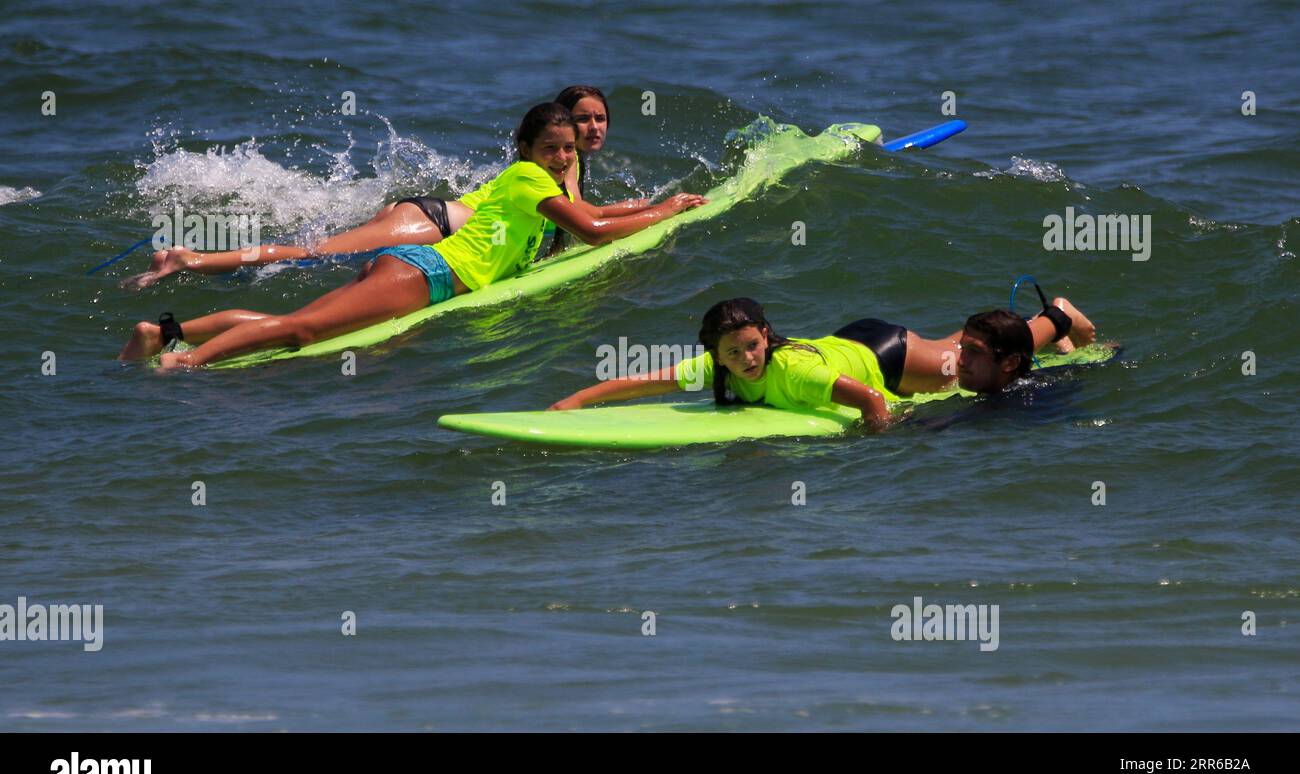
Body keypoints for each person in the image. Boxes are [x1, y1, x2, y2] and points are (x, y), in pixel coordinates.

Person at [118, 103, 706, 368]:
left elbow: (593, 217)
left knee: (301, 316)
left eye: (566, 151)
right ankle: (183, 364)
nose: (559, 158)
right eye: (550, 148)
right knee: (299, 330)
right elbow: (595, 231)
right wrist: (671, 210)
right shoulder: (529, 176)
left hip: (415, 268)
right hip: (428, 274)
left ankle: (163, 332)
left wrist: (642, 208)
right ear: (525, 149)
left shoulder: (543, 181)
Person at [123, 86, 667, 287]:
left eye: (600, 119)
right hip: (429, 222)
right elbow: (586, 222)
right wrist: (661, 211)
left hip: (436, 228)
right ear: (559, 129)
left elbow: (583, 212)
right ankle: (188, 259)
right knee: (312, 252)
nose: (592, 129)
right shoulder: (554, 167)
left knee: (317, 254)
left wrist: (627, 208)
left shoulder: (562, 167)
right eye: (582, 119)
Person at [548, 295, 1097, 430]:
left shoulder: (794, 373)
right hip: (847, 341)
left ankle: (1056, 316)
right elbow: (641, 383)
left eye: (752, 347)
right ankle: (1045, 323)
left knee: (954, 361)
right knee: (954, 347)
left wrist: (881, 438)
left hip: (885, 360)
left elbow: (870, 397)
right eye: (732, 354)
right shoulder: (719, 365)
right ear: (715, 353)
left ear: (766, 336)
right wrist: (570, 403)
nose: (746, 361)